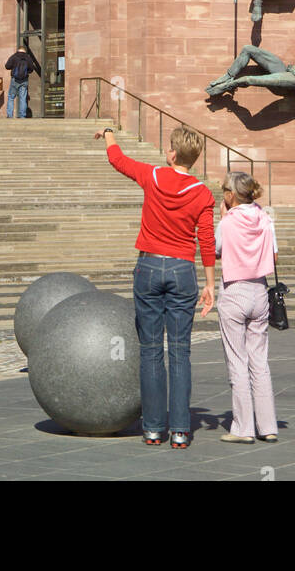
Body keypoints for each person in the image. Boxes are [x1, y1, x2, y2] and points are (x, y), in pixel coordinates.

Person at [95, 123, 215, 449]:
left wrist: (108, 133)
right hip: (183, 270)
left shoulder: (153, 176)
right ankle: (179, 430)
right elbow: (206, 240)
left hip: (148, 265)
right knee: (180, 352)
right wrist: (209, 284)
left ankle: (152, 429)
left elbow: (118, 160)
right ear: (195, 157)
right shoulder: (203, 193)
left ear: (172, 153)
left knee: (150, 352)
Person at [215, 171, 279, 443]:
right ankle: (268, 426)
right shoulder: (265, 217)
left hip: (234, 289)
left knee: (237, 361)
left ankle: (243, 428)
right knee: (259, 361)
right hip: (259, 289)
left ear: (230, 195)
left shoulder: (227, 223)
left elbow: (217, 251)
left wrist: (222, 219)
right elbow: (274, 254)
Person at [4, 42, 36, 119]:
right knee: (23, 98)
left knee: (11, 97)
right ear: (24, 50)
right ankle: (22, 116)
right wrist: (26, 73)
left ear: (18, 50)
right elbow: (31, 69)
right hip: (24, 80)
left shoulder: (14, 56)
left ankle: (10, 115)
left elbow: (7, 66)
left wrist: (13, 68)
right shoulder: (28, 57)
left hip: (14, 80)